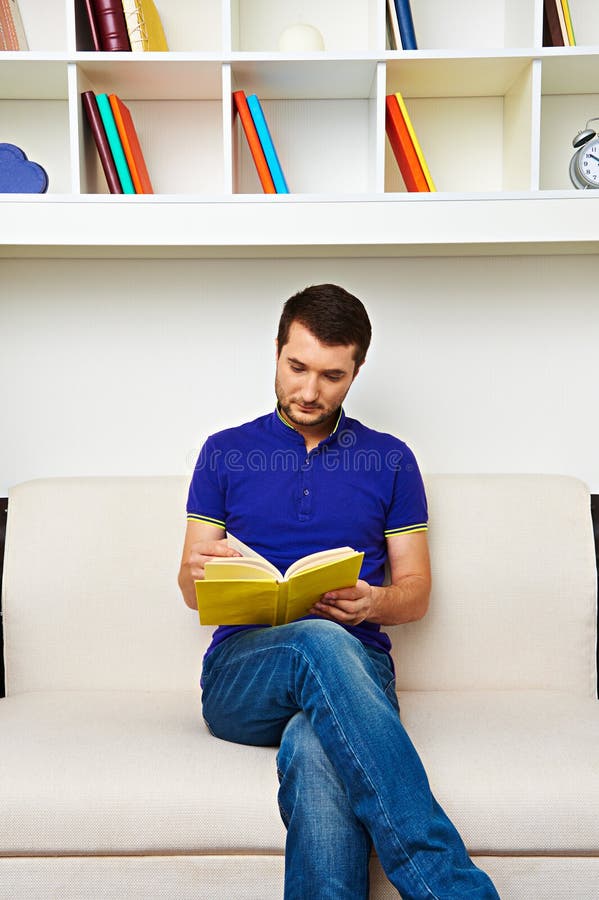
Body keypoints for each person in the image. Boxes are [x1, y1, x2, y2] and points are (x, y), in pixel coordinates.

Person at [178, 284, 500, 900]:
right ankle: (451, 888)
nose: (309, 391)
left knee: (313, 745)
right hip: (239, 677)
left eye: (331, 376)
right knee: (315, 643)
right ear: (276, 351)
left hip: (356, 673)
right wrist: (197, 574)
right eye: (296, 368)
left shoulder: (392, 459)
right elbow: (189, 590)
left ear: (356, 371)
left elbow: (415, 593)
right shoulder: (223, 452)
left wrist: (374, 602)